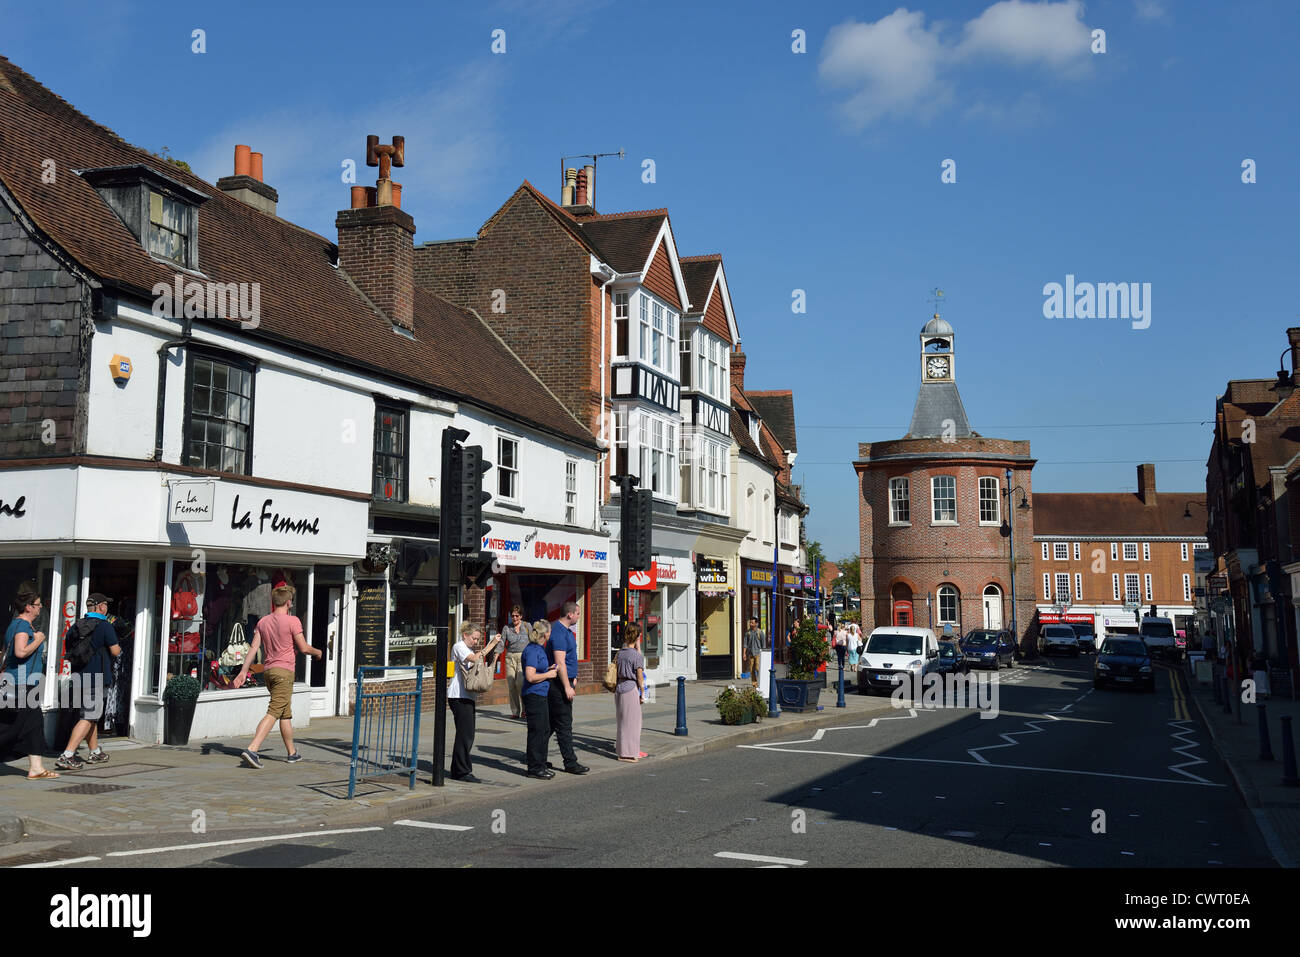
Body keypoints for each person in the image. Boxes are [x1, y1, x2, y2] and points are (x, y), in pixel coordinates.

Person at [233, 584, 322, 769]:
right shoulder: (293, 621)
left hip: (269, 671)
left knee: (284, 713)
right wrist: (318, 652)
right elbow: (304, 648)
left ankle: (292, 753)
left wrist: (243, 671)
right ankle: (252, 749)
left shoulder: (263, 622)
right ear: (289, 602)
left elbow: (253, 648)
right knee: (274, 711)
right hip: (284, 672)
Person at [54, 593, 122, 771]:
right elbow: (115, 651)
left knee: (89, 715)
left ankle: (95, 751)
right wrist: (117, 645)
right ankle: (67, 755)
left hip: (78, 676)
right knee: (89, 716)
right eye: (106, 604)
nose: (107, 607)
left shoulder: (75, 626)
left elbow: (69, 649)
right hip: (97, 678)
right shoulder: (105, 626)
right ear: (100, 607)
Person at [446, 621, 501, 783]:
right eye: (474, 639)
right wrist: (491, 644)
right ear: (465, 635)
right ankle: (461, 771)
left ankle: (459, 769)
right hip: (458, 696)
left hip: (467, 696)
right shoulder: (459, 646)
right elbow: (474, 658)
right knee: (465, 735)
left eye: (478, 639)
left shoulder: (468, 647)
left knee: (467, 734)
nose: (476, 642)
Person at [546, 601, 589, 774]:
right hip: (558, 684)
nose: (579, 617)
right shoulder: (558, 633)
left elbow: (569, 660)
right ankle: (570, 762)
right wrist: (566, 686)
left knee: (549, 725)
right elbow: (560, 663)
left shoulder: (566, 632)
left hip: (567, 681)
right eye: (578, 613)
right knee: (564, 725)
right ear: (570, 614)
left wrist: (574, 677)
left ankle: (535, 756)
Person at [521, 620, 557, 778]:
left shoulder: (539, 649)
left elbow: (538, 670)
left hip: (541, 694)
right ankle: (535, 768)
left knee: (544, 729)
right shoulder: (532, 651)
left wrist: (548, 669)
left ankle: (540, 762)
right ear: (545, 634)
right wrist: (549, 674)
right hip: (534, 695)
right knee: (537, 730)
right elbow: (530, 676)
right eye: (549, 631)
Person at [614, 623, 646, 762]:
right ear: (638, 636)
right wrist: (643, 693)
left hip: (619, 688)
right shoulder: (636, 656)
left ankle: (622, 751)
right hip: (630, 688)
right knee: (633, 723)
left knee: (622, 721)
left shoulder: (620, 653)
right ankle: (631, 753)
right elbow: (639, 677)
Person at [500, 606, 530, 719]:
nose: (514, 618)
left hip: (523, 656)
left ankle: (525, 709)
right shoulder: (507, 628)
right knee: (511, 684)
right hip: (510, 657)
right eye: (512, 615)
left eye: (517, 615)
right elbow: (502, 643)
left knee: (520, 683)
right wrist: (496, 655)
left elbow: (533, 640)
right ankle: (515, 711)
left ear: (521, 616)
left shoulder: (527, 626)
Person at [743, 618, 764, 689]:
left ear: (756, 624)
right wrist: (744, 654)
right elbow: (745, 644)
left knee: (758, 668)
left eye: (752, 623)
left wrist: (763, 653)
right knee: (752, 669)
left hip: (758, 653)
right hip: (750, 653)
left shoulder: (760, 632)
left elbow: (763, 644)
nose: (750, 624)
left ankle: (760, 682)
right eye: (750, 622)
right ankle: (754, 684)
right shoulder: (747, 633)